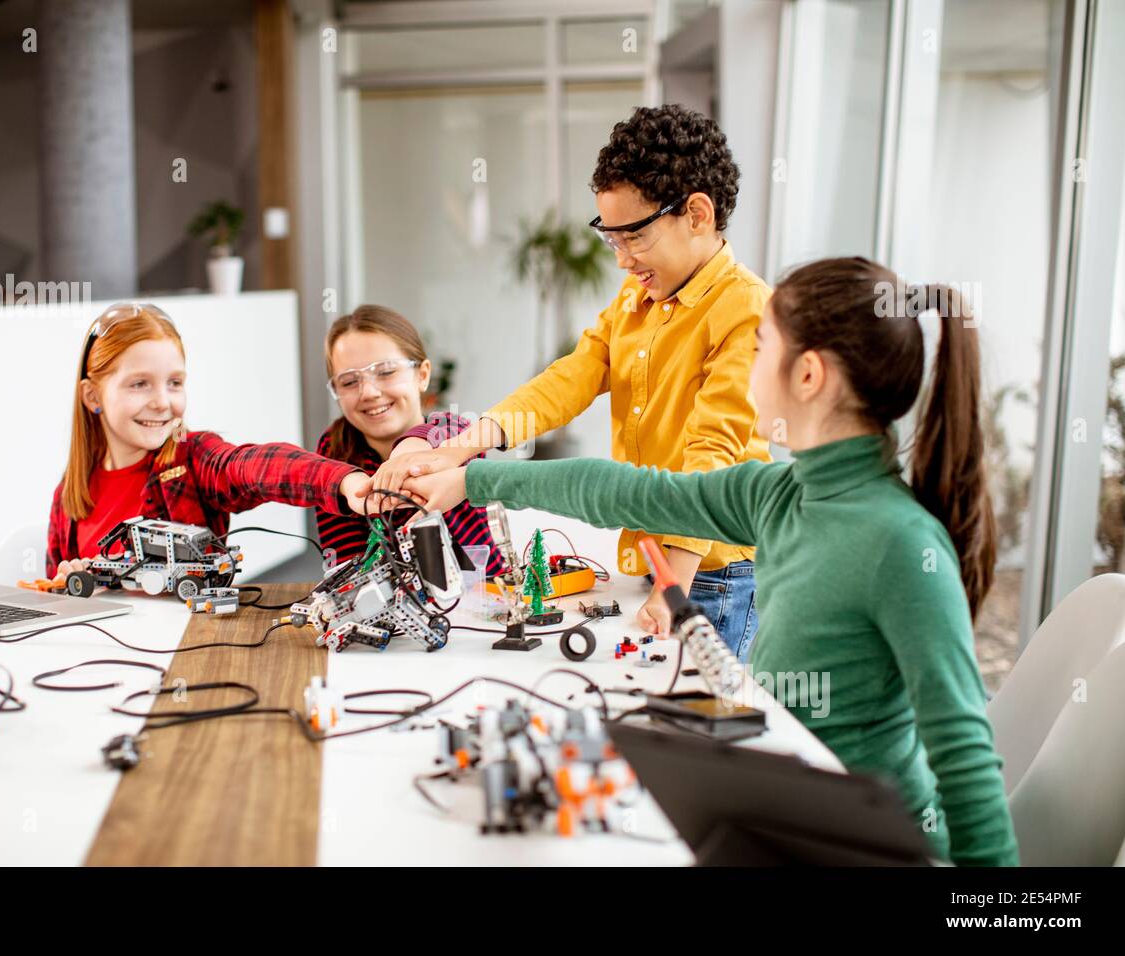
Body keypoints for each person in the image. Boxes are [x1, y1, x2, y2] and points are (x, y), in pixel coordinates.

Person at [395, 257, 1019, 866]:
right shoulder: (782, 494)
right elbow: (630, 492)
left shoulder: (902, 545)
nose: (746, 371)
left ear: (807, 376)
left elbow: (964, 760)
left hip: (859, 843)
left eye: (759, 348)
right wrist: (472, 476)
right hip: (785, 809)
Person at [372, 104, 771, 660]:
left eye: (634, 236)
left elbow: (714, 456)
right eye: (612, 239)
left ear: (697, 214)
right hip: (658, 559)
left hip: (713, 573)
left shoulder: (747, 308)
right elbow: (570, 379)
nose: (622, 260)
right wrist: (458, 450)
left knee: (703, 716)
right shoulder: (638, 300)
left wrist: (672, 584)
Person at [46, 302, 370, 582]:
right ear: (92, 396)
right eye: (140, 384)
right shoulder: (68, 496)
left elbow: (255, 467)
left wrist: (343, 480)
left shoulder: (190, 458)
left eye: (174, 382)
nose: (162, 402)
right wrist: (68, 585)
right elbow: (55, 594)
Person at [314, 305, 503, 576]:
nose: (368, 392)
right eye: (349, 381)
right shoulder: (334, 449)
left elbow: (452, 431)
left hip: (483, 596)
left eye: (386, 371)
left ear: (422, 375)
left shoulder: (454, 432)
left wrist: (410, 449)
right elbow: (346, 565)